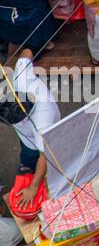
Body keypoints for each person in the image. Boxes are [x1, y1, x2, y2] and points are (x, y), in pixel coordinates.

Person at [0, 47, 61, 209]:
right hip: (27, 139)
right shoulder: (21, 80)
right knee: (27, 154)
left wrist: (34, 187)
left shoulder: (42, 121)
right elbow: (27, 52)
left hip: (45, 143)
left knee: (52, 160)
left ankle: (42, 177)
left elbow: (45, 154)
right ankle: (27, 166)